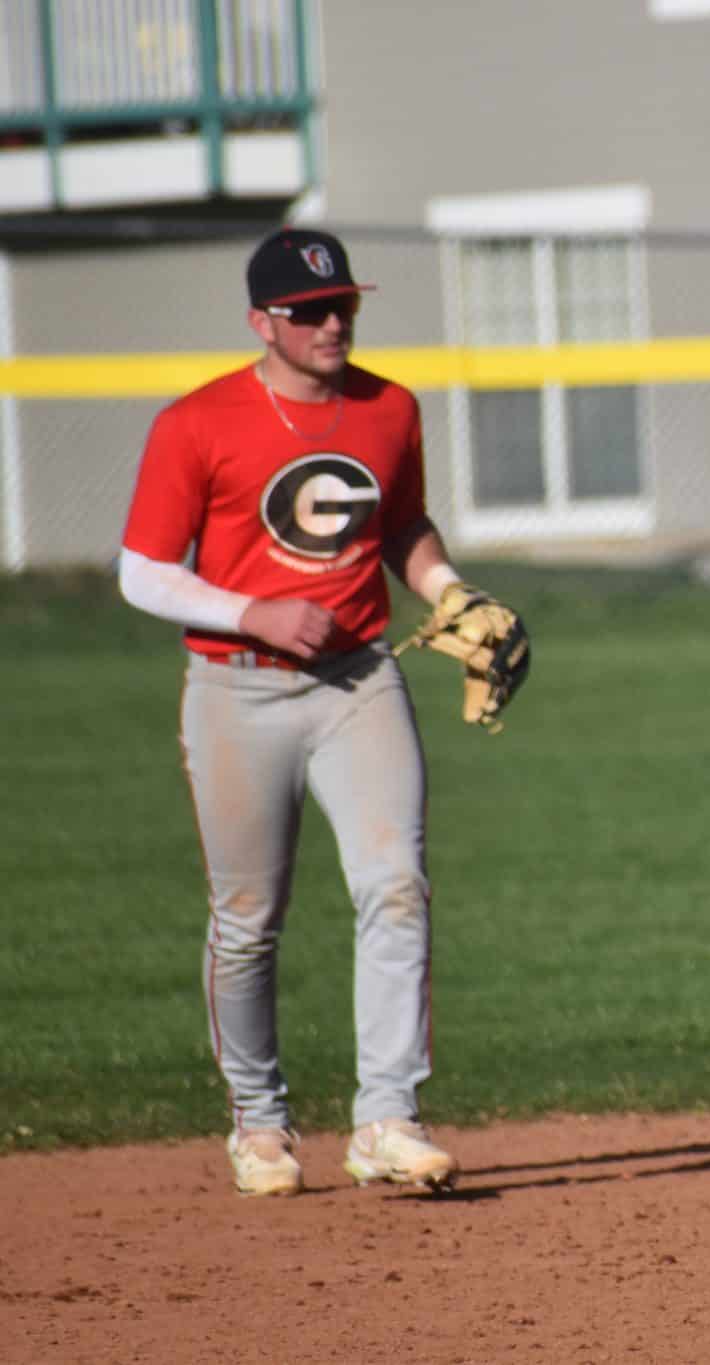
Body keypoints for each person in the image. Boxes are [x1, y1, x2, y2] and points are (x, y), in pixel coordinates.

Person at [118, 227, 494, 1197]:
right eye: (309, 311)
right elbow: (143, 571)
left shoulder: (387, 408)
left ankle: (386, 1118)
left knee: (397, 884)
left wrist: (449, 594)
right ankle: (260, 1124)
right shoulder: (196, 423)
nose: (332, 323)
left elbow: (400, 523)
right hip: (235, 687)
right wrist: (251, 611)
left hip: (359, 678)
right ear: (261, 322)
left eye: (343, 307)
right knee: (248, 920)